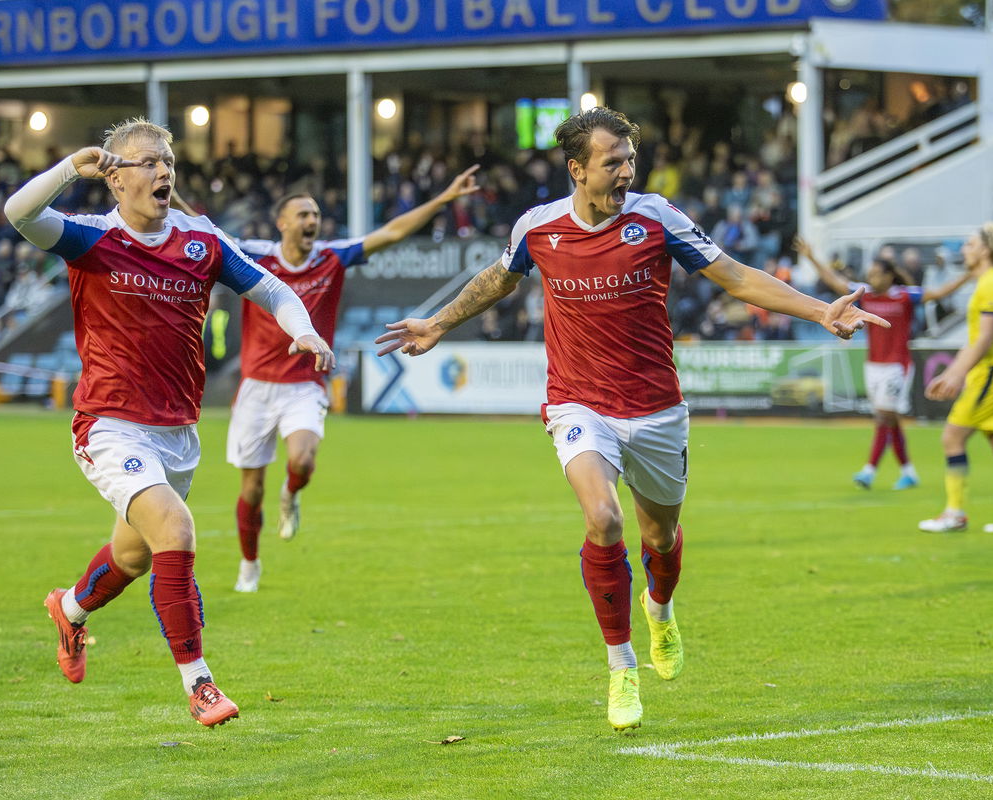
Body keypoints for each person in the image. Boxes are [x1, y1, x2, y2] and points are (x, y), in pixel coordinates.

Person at [374, 107, 888, 731]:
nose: (626, 171)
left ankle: (660, 609)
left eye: (629, 160)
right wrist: (439, 321)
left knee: (661, 538)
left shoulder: (656, 217)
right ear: (577, 169)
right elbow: (497, 281)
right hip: (577, 402)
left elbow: (734, 276)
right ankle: (621, 668)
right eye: (612, 162)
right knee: (603, 518)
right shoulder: (537, 228)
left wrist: (818, 312)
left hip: (656, 409)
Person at [4, 118, 334, 727]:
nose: (163, 173)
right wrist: (64, 171)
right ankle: (200, 685)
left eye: (167, 162)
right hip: (108, 424)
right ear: (115, 178)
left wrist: (304, 329)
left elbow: (273, 291)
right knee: (176, 531)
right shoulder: (91, 239)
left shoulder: (200, 240)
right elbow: (19, 213)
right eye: (148, 163)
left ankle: (70, 611)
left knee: (133, 559)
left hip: (177, 433)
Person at [215, 166, 478, 593]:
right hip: (256, 387)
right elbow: (201, 234)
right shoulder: (252, 256)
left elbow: (392, 233)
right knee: (251, 487)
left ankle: (292, 493)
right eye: (302, 215)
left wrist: (445, 198)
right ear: (282, 223)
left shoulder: (332, 256)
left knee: (302, 460)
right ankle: (249, 563)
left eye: (315, 214)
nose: (312, 222)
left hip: (304, 385)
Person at [794, 236, 971, 490]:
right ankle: (908, 472)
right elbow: (835, 282)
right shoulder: (864, 294)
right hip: (873, 365)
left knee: (883, 416)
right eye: (870, 274)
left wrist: (968, 276)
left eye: (877, 274)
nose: (872, 278)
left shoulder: (905, 296)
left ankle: (869, 470)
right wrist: (811, 257)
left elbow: (940, 293)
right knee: (889, 419)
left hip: (897, 366)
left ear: (889, 276)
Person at [919, 223, 993, 534]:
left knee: (952, 438)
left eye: (969, 245)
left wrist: (955, 373)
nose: (964, 250)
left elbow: (984, 338)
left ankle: (954, 513)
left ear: (985, 249)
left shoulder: (992, 285)